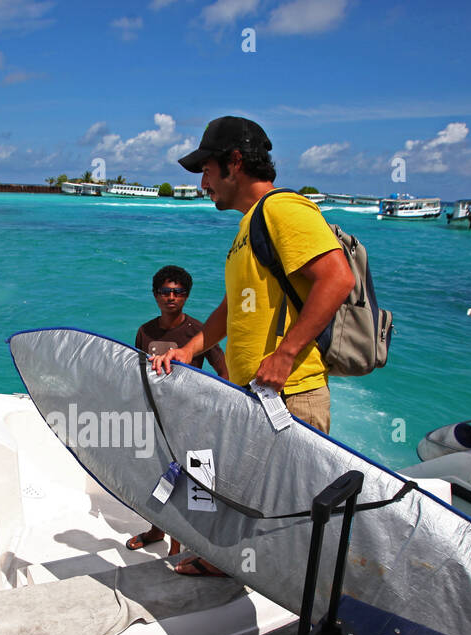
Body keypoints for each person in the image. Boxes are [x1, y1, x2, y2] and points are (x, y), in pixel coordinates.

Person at [152, 116, 354, 577]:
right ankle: (229, 563)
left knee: (287, 507)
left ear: (235, 163)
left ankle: (296, 596)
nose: (202, 181)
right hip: (257, 394)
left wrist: (285, 355)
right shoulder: (248, 228)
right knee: (243, 492)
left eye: (206, 168)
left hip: (292, 394)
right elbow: (232, 309)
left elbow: (337, 277)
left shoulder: (284, 210)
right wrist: (188, 351)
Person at [126, 265, 227, 556]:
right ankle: (157, 530)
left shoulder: (199, 332)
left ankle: (178, 544)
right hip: (157, 417)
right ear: (156, 295)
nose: (171, 297)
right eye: (165, 292)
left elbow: (224, 372)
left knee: (187, 482)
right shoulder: (145, 331)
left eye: (178, 292)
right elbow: (138, 373)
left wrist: (218, 412)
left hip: (192, 421)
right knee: (154, 475)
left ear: (186, 296)